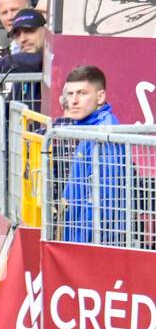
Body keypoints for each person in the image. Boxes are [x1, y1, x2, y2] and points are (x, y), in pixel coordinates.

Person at [58, 65, 123, 245]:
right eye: (70, 94)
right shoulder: (87, 127)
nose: (74, 101)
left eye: (82, 93)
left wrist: (78, 243)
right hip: (79, 238)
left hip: (93, 245)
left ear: (100, 97)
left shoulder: (105, 135)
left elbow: (104, 202)